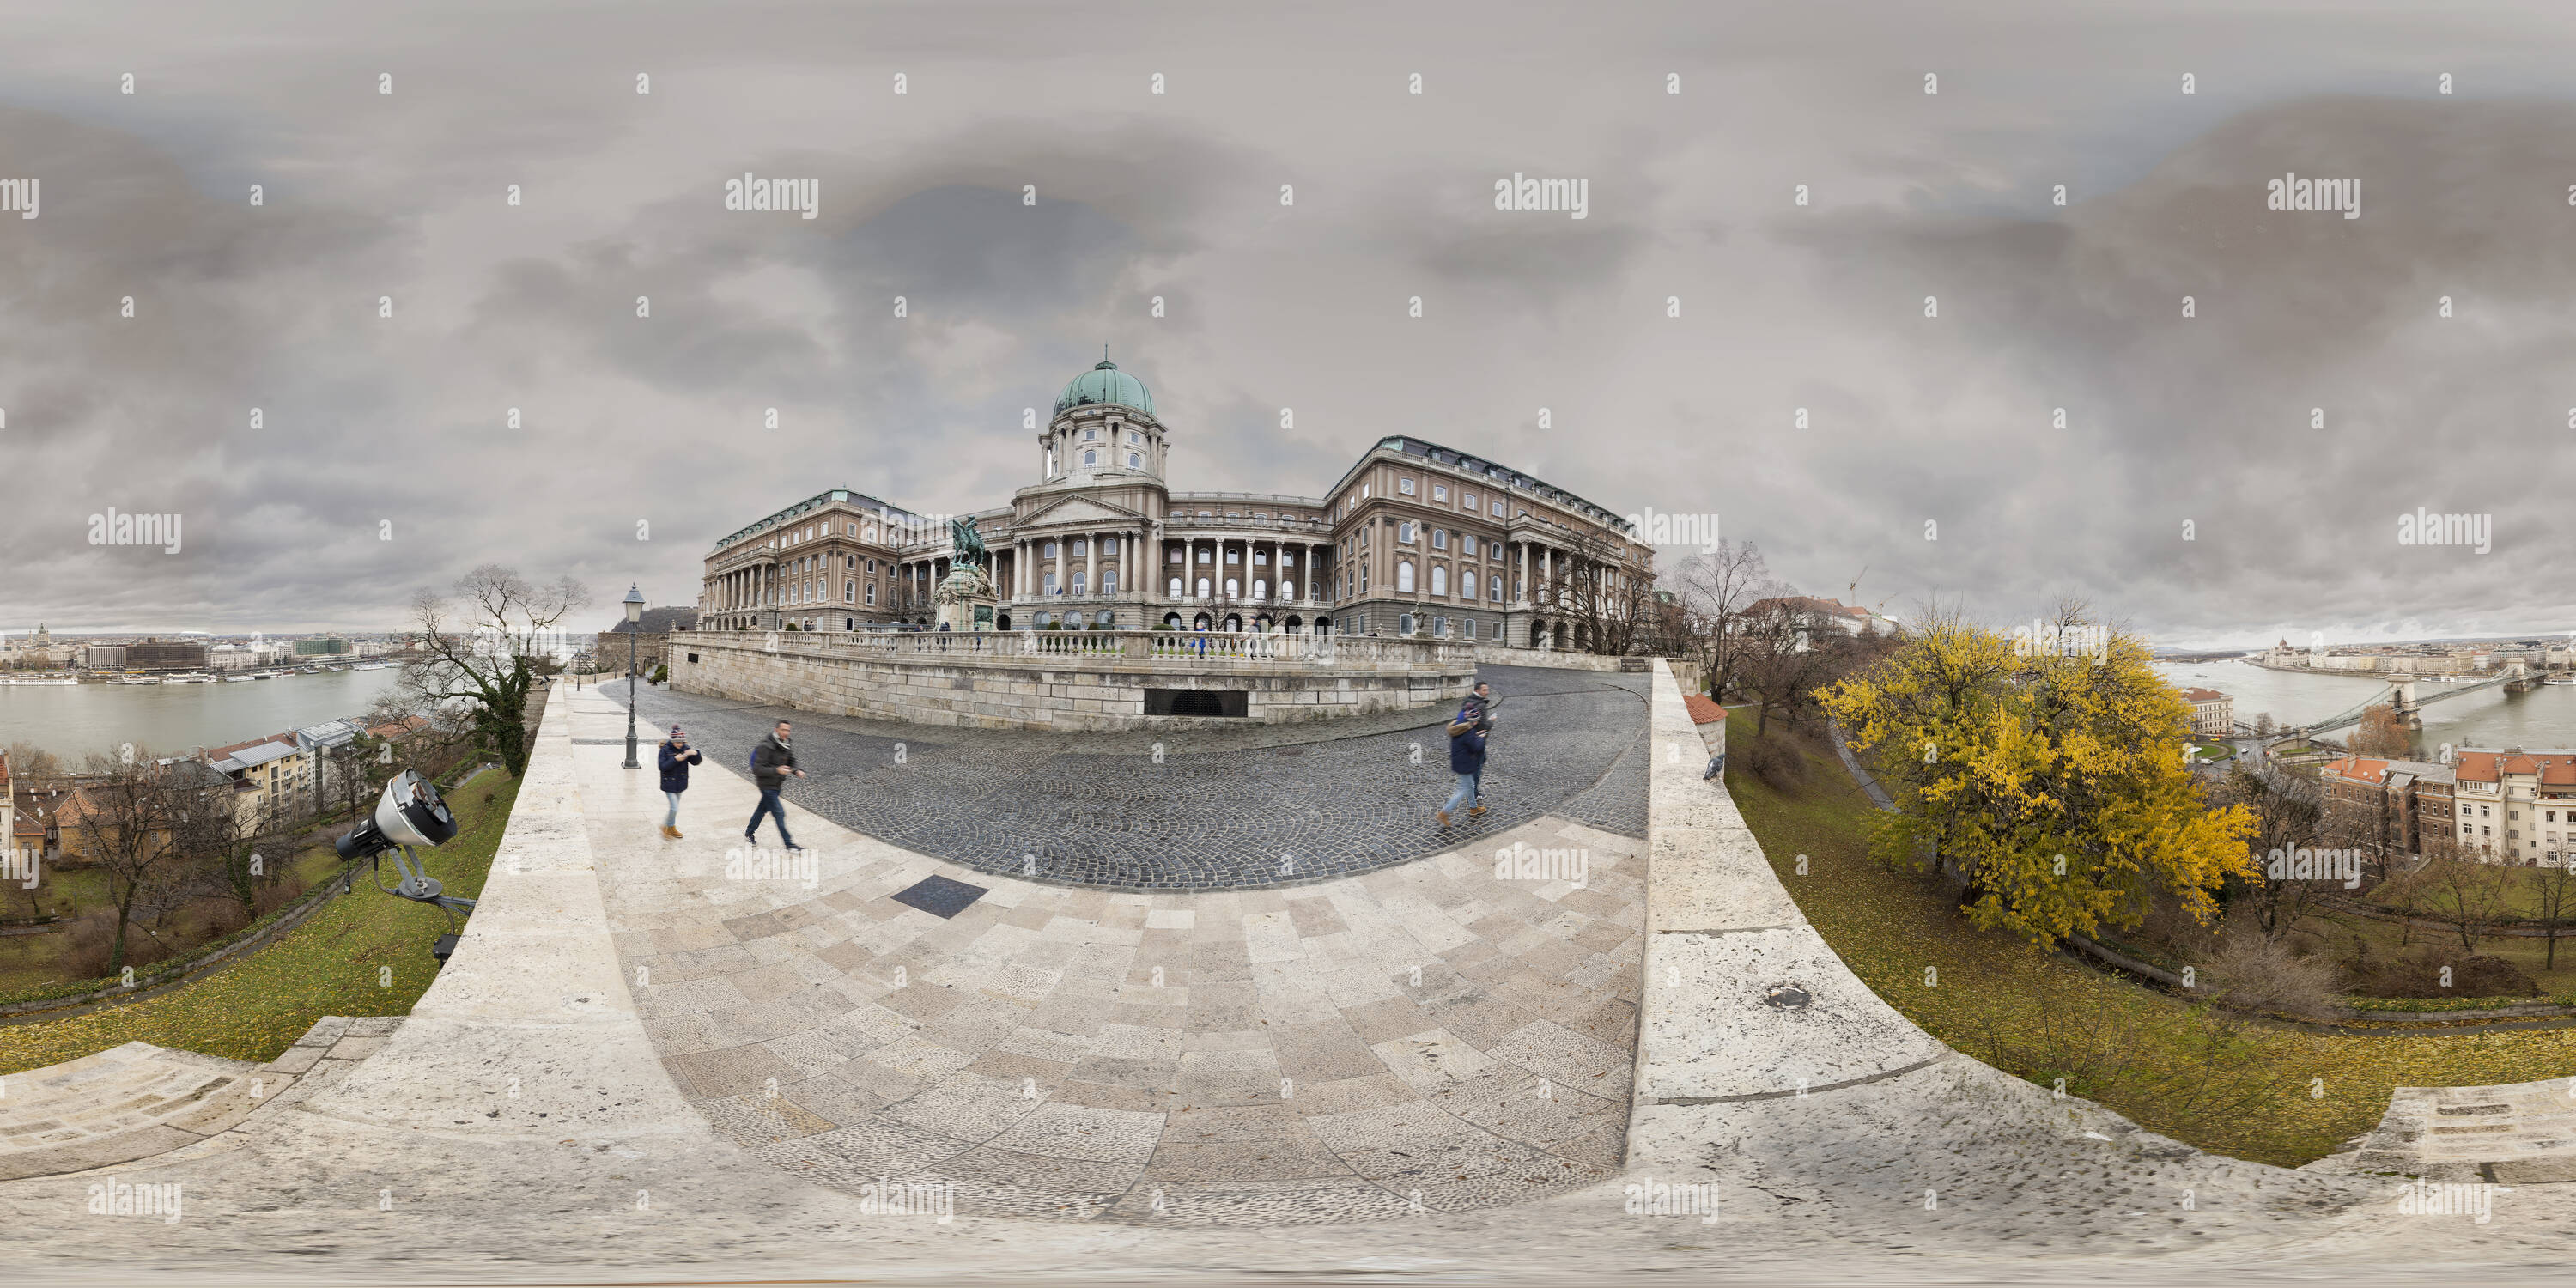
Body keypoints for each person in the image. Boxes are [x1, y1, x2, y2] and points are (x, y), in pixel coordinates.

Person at [1436, 680, 1495, 826]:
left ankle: (1474, 808)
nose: (1475, 724)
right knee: (1463, 790)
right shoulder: (1468, 730)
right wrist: (1480, 737)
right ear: (1472, 720)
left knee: (1469, 786)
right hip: (1465, 762)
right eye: (1475, 722)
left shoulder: (1461, 720)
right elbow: (1476, 747)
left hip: (1460, 760)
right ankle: (1444, 813)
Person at [746, 719, 807, 850]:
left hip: (777, 784)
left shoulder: (786, 743)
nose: (786, 733)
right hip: (766, 785)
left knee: (761, 810)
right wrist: (777, 770)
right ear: (776, 730)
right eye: (783, 730)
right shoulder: (765, 746)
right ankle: (789, 844)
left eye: (788, 730)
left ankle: (749, 832)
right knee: (779, 813)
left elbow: (791, 760)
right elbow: (757, 769)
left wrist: (796, 771)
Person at [656, 726, 702, 839]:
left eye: (681, 742)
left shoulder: (685, 748)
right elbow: (662, 767)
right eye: (677, 743)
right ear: (673, 741)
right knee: (674, 808)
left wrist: (695, 753)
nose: (680, 745)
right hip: (669, 783)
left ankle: (670, 828)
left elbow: (696, 762)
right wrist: (675, 759)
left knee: (674, 807)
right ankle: (666, 827)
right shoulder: (665, 750)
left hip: (681, 783)